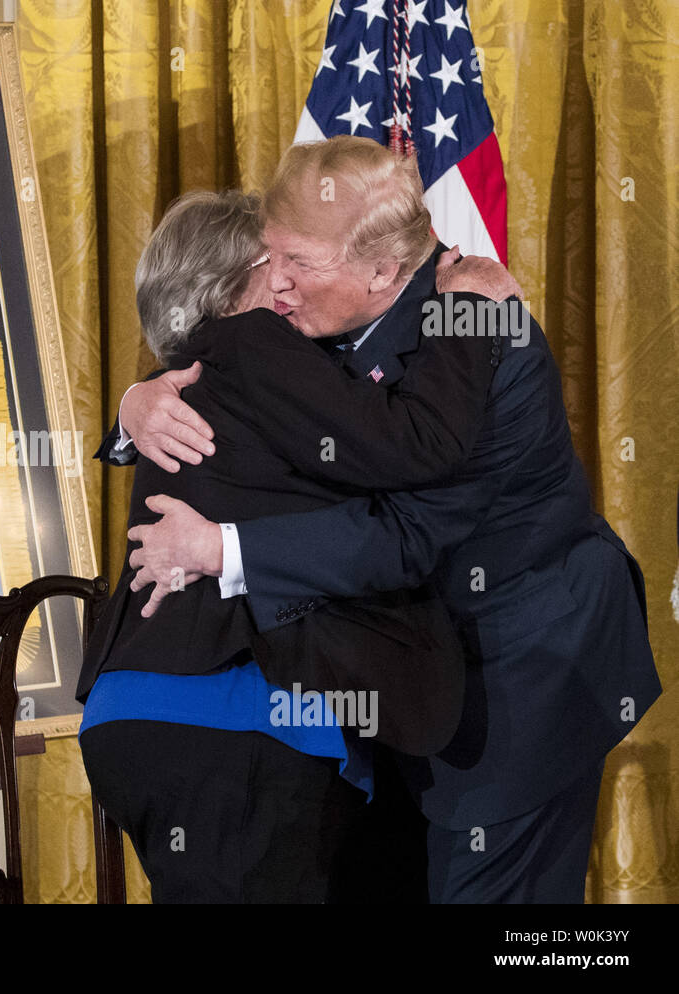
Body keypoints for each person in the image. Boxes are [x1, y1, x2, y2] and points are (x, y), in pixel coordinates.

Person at [115, 135, 662, 903]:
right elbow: (231, 367)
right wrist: (136, 406)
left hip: (518, 675)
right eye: (271, 258)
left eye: (298, 264)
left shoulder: (481, 344)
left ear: (380, 270)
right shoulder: (318, 324)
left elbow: (400, 535)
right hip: (400, 690)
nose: (276, 285)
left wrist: (220, 548)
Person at [78, 185, 516, 903]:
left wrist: (131, 405)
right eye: (275, 259)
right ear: (234, 281)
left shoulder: (190, 384)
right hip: (232, 717)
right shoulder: (252, 342)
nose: (291, 279)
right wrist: (468, 311)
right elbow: (415, 445)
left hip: (144, 715)